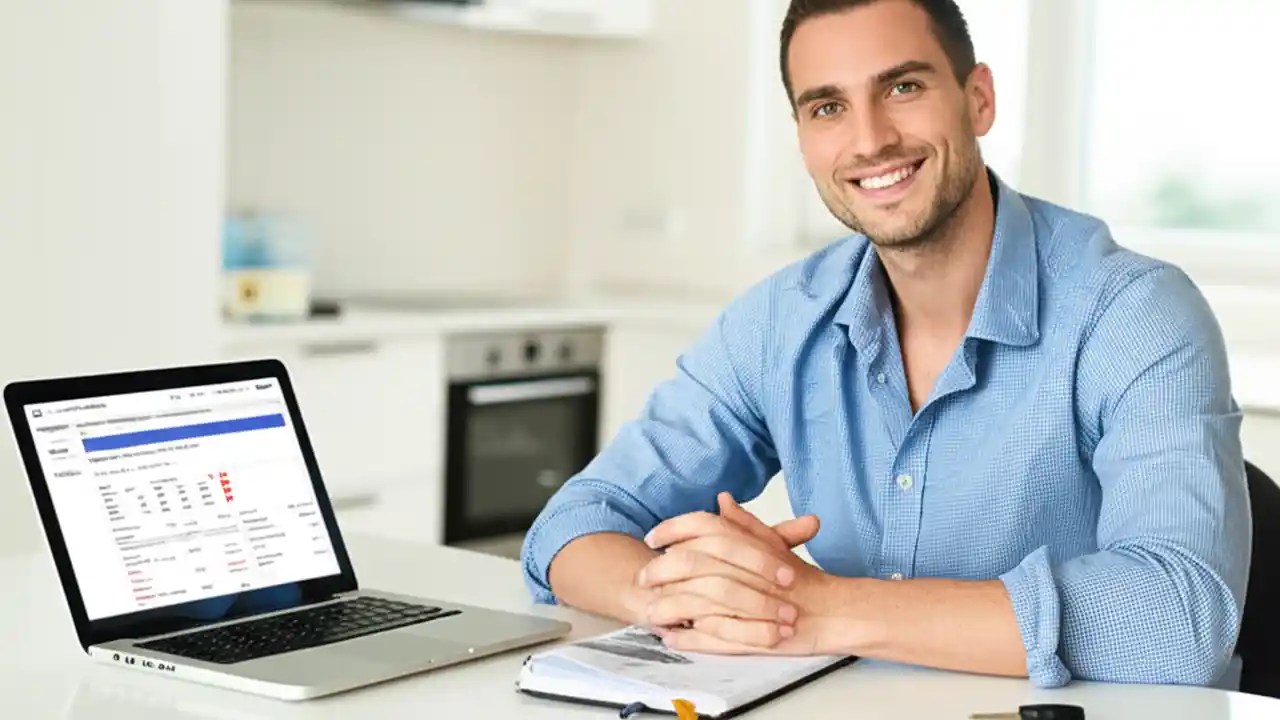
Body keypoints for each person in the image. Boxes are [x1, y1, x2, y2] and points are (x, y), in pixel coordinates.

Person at [521, 0, 1250, 688]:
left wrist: (820, 608)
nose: (869, 140)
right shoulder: (781, 320)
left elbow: (1178, 619)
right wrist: (699, 597)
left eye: (902, 87)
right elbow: (575, 525)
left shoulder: (1134, 313)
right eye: (828, 106)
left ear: (978, 99)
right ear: (804, 137)